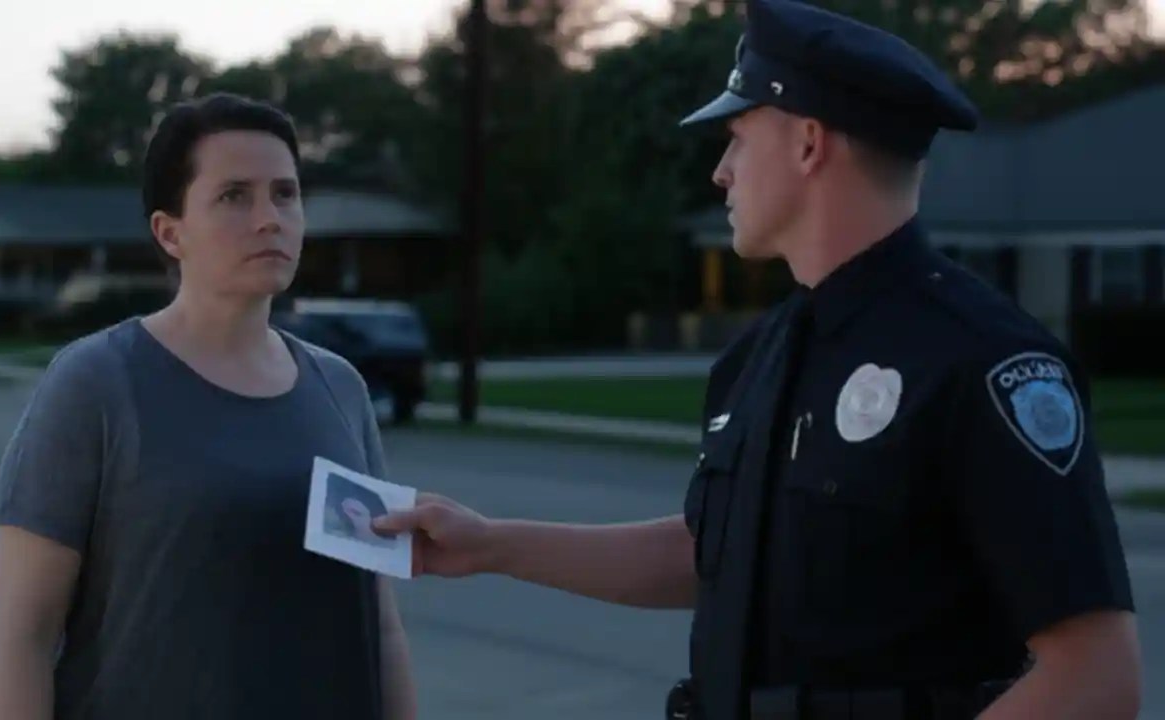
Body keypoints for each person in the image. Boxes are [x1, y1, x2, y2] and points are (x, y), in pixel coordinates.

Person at [372, 0, 1143, 718]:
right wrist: (493, 544)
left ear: (808, 143)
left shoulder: (985, 359)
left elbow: (1095, 677)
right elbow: (712, 555)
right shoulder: (762, 355)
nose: (721, 171)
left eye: (738, 137)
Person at [0, 92, 417, 720]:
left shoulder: (339, 389)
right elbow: (22, 638)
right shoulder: (94, 381)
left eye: (285, 194)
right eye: (234, 195)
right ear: (170, 231)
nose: (269, 217)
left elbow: (381, 627)